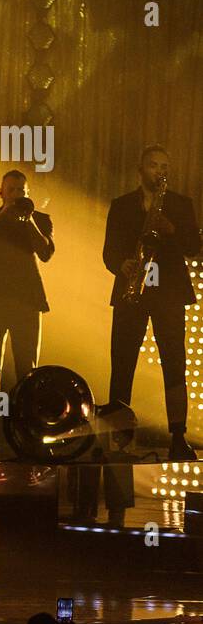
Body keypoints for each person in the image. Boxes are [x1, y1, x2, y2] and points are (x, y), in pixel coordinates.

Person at [102, 144, 200, 461]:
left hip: (168, 291)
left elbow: (195, 247)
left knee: (174, 364)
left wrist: (172, 229)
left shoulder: (181, 205)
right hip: (134, 290)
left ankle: (177, 437)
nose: (159, 171)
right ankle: (119, 438)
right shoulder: (121, 205)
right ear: (140, 169)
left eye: (163, 166)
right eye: (153, 165)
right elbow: (109, 252)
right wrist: (122, 265)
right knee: (122, 363)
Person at [0, 170, 55, 460]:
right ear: (1, 192)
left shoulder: (39, 219)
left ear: (28, 194)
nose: (17, 195)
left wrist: (27, 220)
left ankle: (28, 435)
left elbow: (46, 252)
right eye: (11, 190)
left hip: (26, 301)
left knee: (27, 372)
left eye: (21, 191)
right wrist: (4, 214)